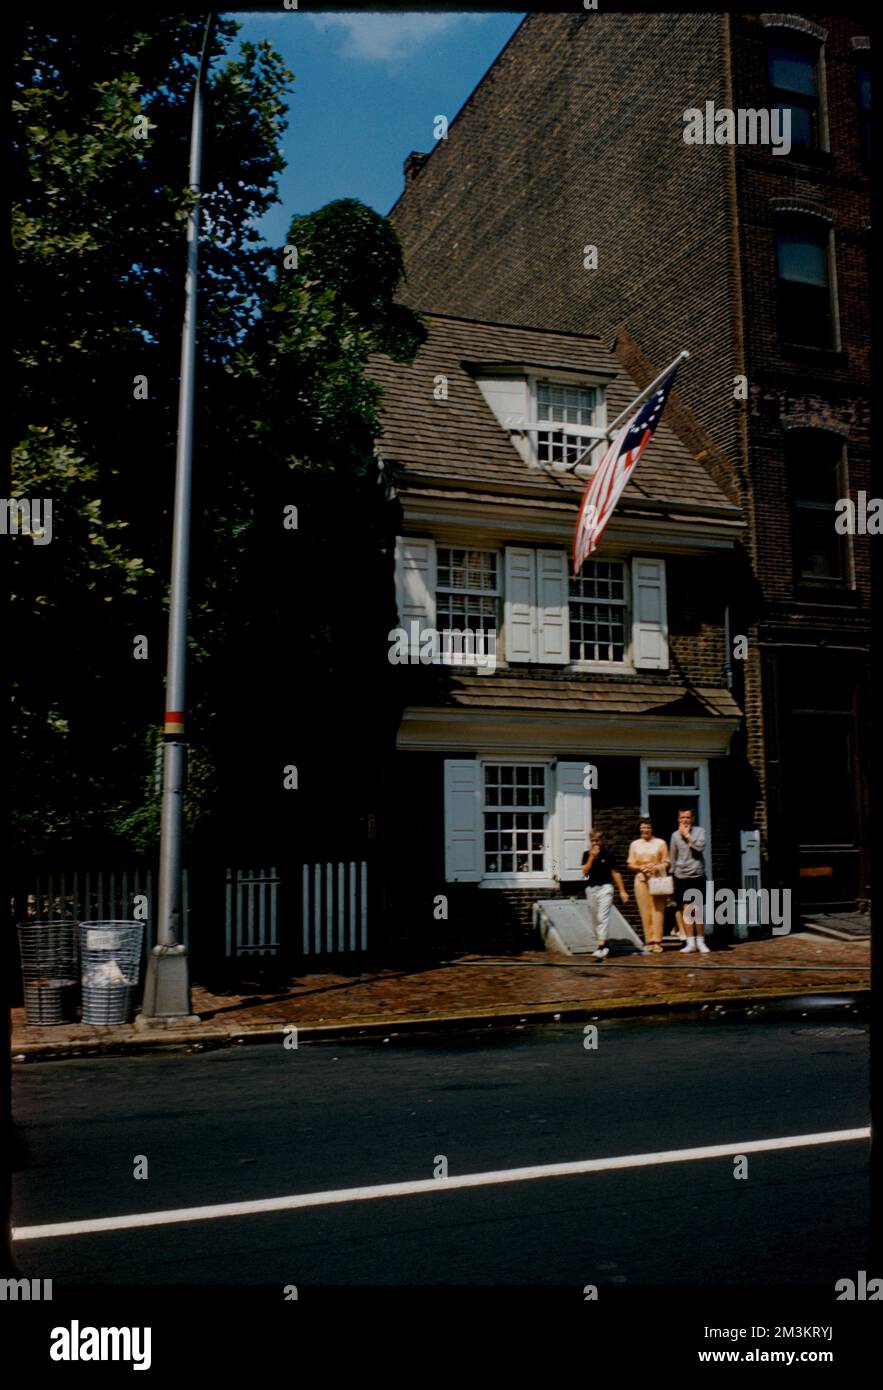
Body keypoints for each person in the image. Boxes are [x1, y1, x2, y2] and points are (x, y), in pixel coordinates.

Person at [581, 828, 629, 959]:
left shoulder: (608, 854)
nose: (595, 843)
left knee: (603, 917)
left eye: (597, 840)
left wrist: (622, 891)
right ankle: (604, 943)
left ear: (602, 840)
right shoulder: (586, 854)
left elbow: (615, 872)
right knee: (595, 918)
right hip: (591, 888)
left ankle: (600, 946)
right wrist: (591, 857)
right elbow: (584, 871)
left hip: (605, 888)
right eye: (593, 841)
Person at [670, 807, 710, 954]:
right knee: (686, 910)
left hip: (697, 875)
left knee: (697, 910)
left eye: (687, 817)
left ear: (692, 819)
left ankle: (701, 941)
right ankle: (690, 942)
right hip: (682, 876)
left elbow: (700, 847)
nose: (685, 820)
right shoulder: (674, 836)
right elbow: (672, 858)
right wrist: (672, 877)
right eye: (682, 818)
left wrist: (687, 836)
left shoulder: (700, 832)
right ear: (678, 819)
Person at [627, 817, 670, 953]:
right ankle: (649, 940)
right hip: (641, 879)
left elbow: (667, 862)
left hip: (657, 880)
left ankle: (658, 941)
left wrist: (656, 867)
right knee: (645, 911)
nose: (645, 830)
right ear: (640, 829)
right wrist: (640, 868)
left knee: (658, 910)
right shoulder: (634, 844)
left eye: (648, 827)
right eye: (643, 827)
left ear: (652, 829)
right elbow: (630, 863)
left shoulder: (661, 843)